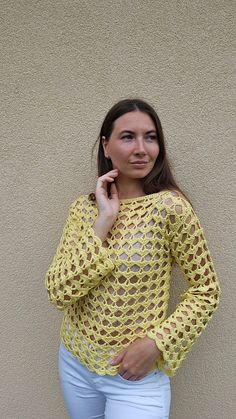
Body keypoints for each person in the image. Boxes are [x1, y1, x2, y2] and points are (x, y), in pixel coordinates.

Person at [44, 98, 221, 419]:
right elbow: (58, 292)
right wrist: (102, 224)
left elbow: (206, 291)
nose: (141, 148)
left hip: (136, 377)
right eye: (128, 137)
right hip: (75, 361)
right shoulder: (83, 210)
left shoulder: (171, 208)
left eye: (150, 137)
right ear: (106, 145)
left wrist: (156, 343)